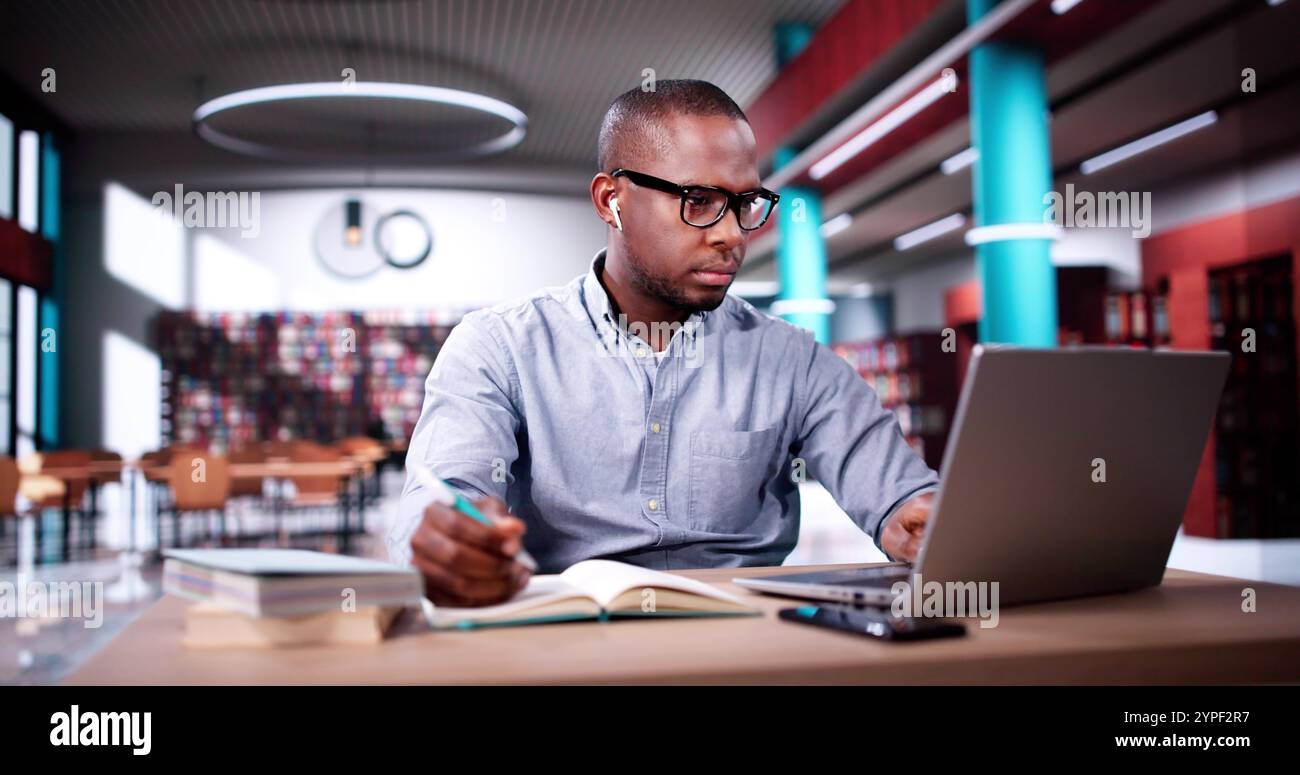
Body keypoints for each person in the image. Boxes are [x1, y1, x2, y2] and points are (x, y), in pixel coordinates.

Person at [391, 80, 937, 607]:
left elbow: (899, 498)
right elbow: (446, 499)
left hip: (751, 647)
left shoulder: (792, 360)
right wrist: (453, 541)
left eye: (745, 203)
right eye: (698, 200)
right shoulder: (499, 348)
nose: (732, 235)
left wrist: (917, 521)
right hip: (565, 643)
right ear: (612, 201)